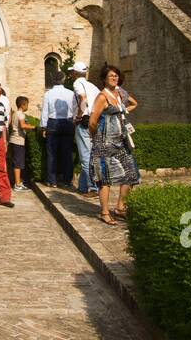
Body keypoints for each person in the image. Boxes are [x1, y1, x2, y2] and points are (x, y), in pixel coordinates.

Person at [88, 65, 139, 225]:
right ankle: (104, 212)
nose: (114, 78)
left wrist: (124, 112)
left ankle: (120, 208)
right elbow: (92, 121)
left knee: (131, 174)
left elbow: (134, 103)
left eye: (116, 76)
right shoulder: (102, 97)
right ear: (104, 79)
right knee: (105, 178)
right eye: (111, 76)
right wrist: (96, 137)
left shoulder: (120, 93)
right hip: (104, 143)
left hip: (121, 142)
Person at [39, 74, 76, 187]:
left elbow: (45, 111)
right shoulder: (71, 93)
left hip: (53, 122)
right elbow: (75, 109)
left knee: (52, 153)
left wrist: (44, 126)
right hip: (68, 121)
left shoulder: (48, 94)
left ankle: (52, 180)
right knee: (67, 152)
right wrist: (74, 122)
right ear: (64, 80)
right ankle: (67, 180)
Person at [70, 62, 100, 195]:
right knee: (88, 155)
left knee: (86, 157)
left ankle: (94, 188)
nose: (71, 74)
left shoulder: (77, 83)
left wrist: (79, 115)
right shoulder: (92, 86)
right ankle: (83, 187)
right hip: (95, 122)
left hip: (84, 122)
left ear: (75, 74)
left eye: (72, 72)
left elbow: (83, 99)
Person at [9, 96, 30, 191]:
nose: (28, 106)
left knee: (14, 162)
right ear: (22, 105)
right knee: (18, 163)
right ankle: (17, 185)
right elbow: (22, 125)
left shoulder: (14, 114)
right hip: (18, 141)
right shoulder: (21, 114)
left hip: (12, 139)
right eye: (27, 105)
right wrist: (33, 127)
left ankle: (16, 181)